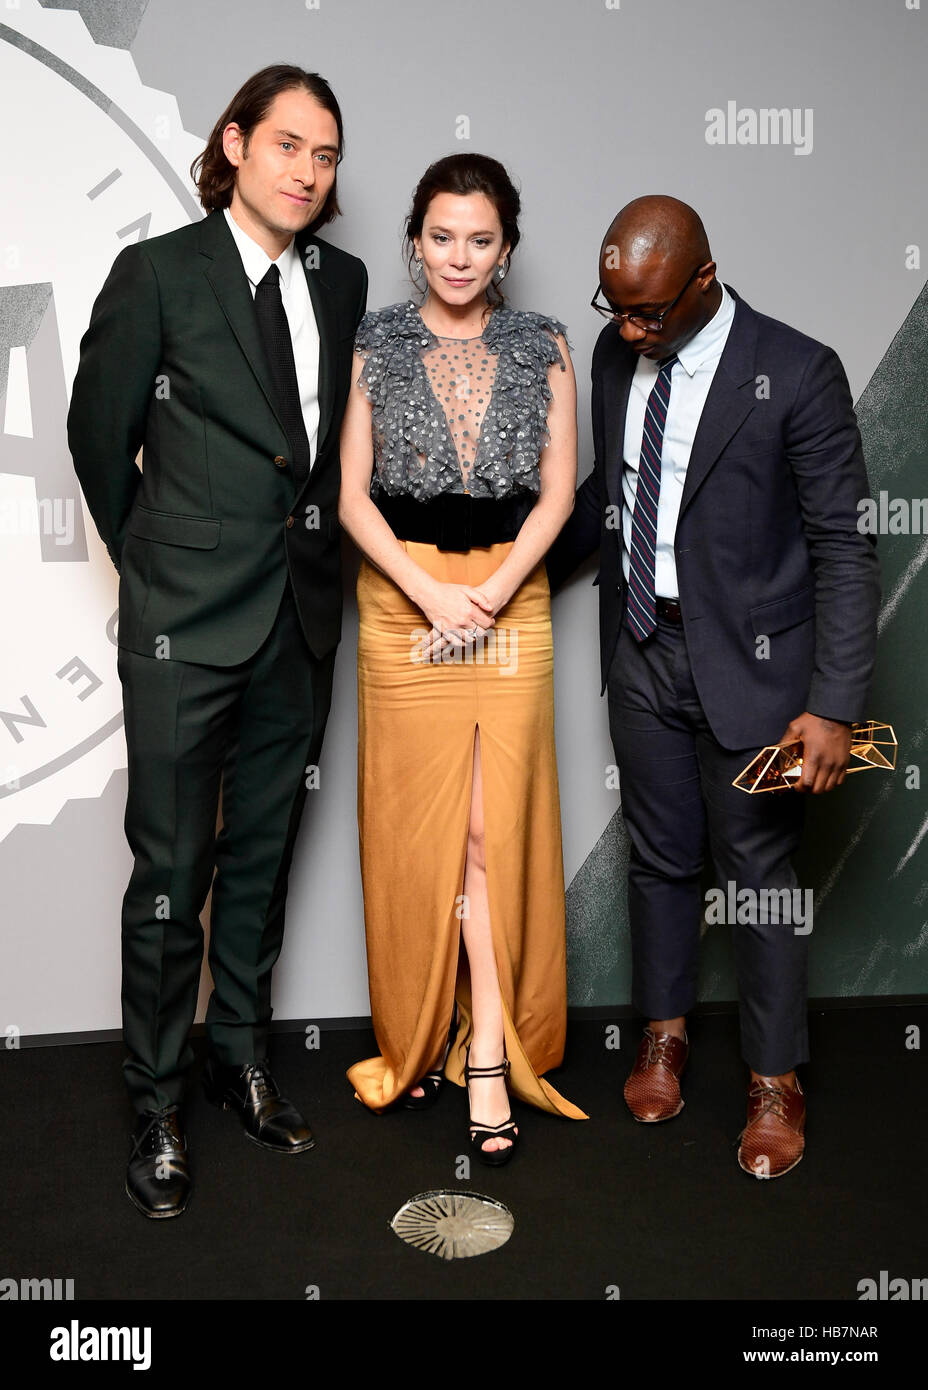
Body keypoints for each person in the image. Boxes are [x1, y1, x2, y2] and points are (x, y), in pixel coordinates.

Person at [67, 65, 368, 1217]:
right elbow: (101, 439)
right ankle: (155, 1103)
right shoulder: (158, 273)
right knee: (172, 869)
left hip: (299, 616)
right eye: (287, 144)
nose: (307, 170)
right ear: (235, 145)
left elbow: (323, 446)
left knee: (260, 858)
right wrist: (156, 567)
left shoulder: (340, 282)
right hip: (185, 625)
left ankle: (236, 1056)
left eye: (326, 154)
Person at [546, 195, 879, 1178]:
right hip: (640, 648)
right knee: (659, 860)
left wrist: (831, 704)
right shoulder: (617, 355)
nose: (631, 331)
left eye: (648, 312)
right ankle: (664, 1034)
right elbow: (609, 495)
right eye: (615, 311)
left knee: (762, 885)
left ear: (701, 280)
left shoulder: (798, 370)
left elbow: (843, 546)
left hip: (758, 671)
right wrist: (501, 563)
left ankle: (775, 1080)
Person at [338, 153, 587, 1164]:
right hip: (404, 608)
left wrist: (484, 595)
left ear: (506, 249)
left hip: (510, 605)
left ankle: (487, 1050)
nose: (458, 256)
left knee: (490, 835)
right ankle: (438, 1038)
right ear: (414, 240)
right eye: (441, 235)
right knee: (426, 835)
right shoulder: (376, 340)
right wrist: (432, 593)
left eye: (479, 239)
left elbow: (560, 493)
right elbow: (351, 496)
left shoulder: (545, 344)